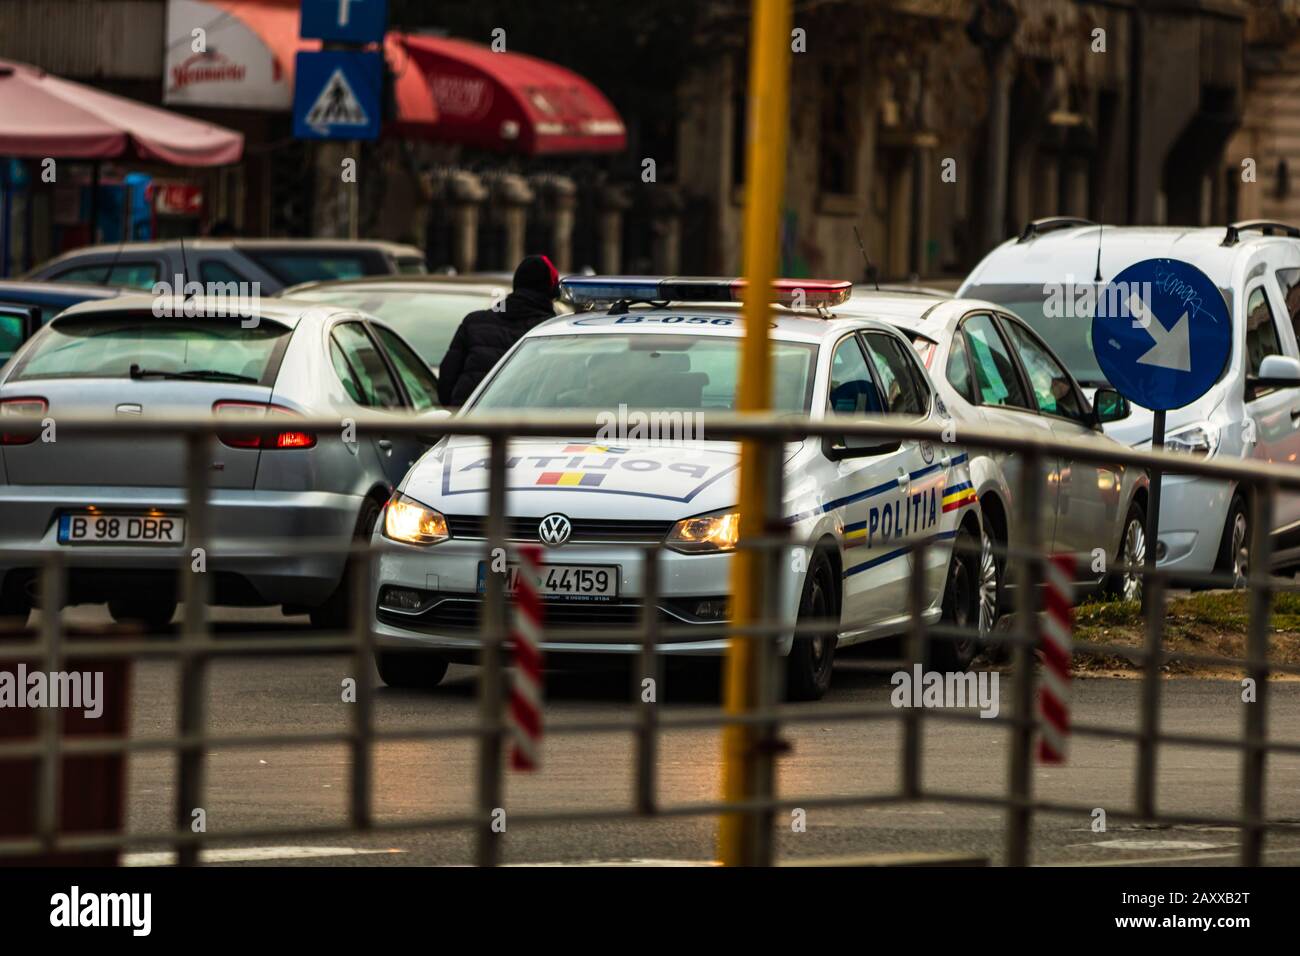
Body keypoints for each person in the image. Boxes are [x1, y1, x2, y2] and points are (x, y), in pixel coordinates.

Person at [437, 254, 559, 406]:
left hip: (470, 424)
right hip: (531, 425)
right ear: (550, 293)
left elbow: (447, 381)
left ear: (517, 285)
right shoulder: (553, 331)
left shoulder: (474, 323)